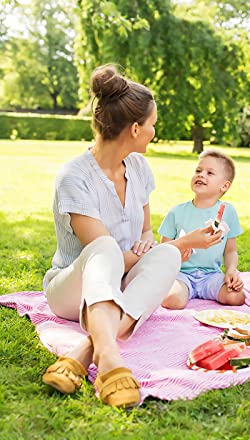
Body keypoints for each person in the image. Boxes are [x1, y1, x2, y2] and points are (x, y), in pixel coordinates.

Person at [42, 64, 222, 408]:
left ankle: (86, 349)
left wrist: (161, 247)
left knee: (168, 257)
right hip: (73, 290)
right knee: (108, 246)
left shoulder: (139, 168)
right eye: (152, 125)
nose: (155, 131)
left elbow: (145, 233)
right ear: (136, 128)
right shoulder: (74, 177)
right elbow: (103, 255)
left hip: (122, 285)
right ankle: (109, 357)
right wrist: (183, 243)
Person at [158, 149, 245, 309]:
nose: (201, 175)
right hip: (181, 275)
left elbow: (230, 251)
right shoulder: (176, 212)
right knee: (172, 300)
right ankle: (179, 291)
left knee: (237, 297)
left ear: (224, 186)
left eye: (210, 173)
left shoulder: (228, 212)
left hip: (211, 276)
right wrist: (178, 255)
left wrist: (232, 271)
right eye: (198, 170)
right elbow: (163, 250)